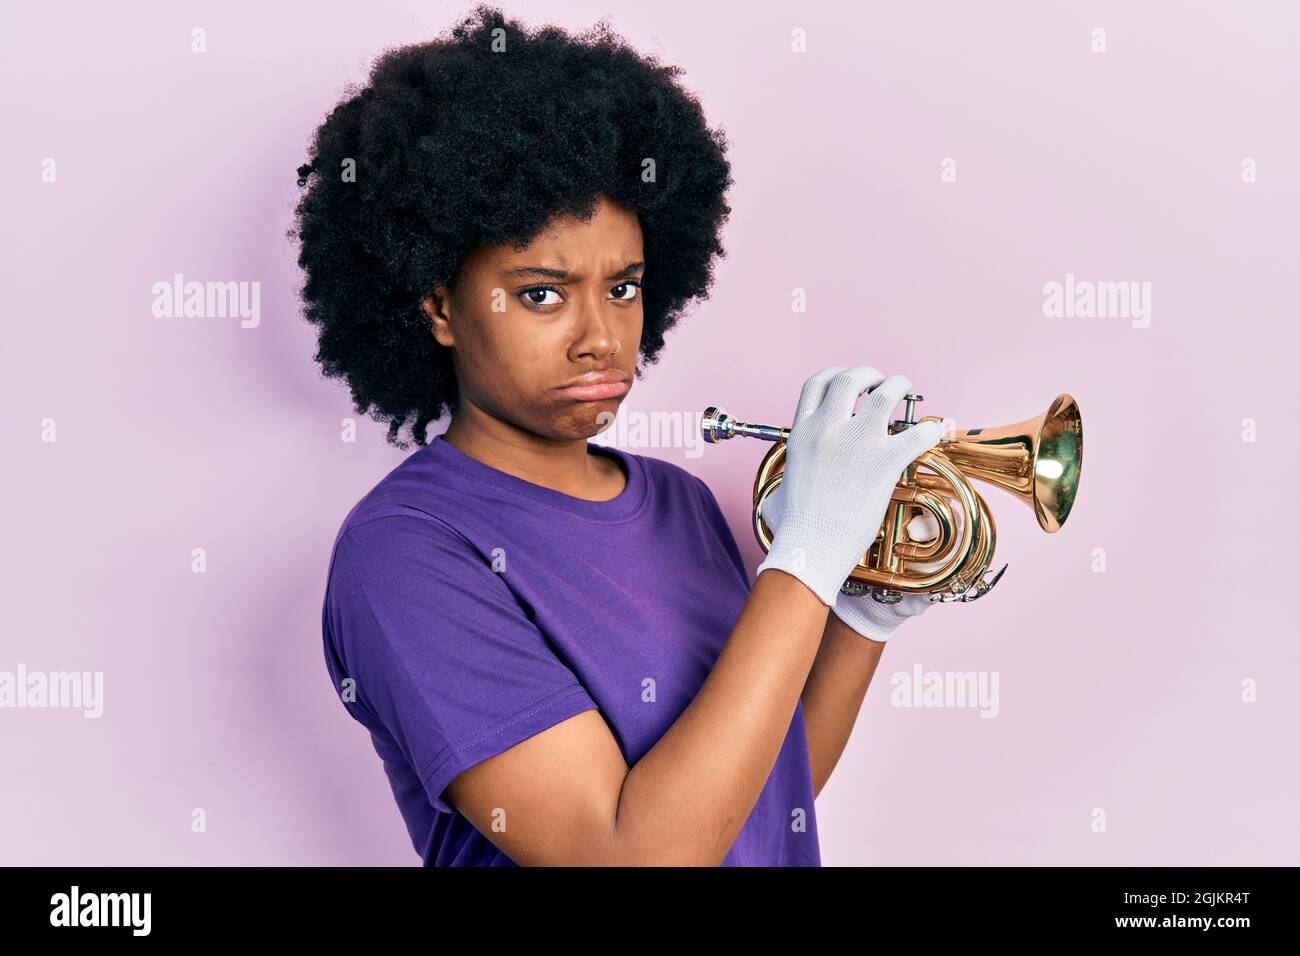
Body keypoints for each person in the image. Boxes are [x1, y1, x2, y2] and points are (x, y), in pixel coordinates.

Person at [292, 5, 943, 866]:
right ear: (440, 305)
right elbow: (626, 854)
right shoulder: (404, 553)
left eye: (625, 287)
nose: (601, 336)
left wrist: (859, 616)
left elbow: (758, 797)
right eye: (541, 293)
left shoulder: (677, 501)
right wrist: (809, 556)